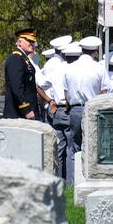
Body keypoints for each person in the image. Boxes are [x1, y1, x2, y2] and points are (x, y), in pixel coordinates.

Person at [63, 36, 107, 182]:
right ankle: (93, 179)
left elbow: (66, 94)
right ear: (95, 51)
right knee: (94, 146)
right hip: (93, 109)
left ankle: (73, 181)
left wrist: (70, 106)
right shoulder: (99, 68)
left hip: (75, 109)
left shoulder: (70, 68)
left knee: (74, 146)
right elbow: (104, 92)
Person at [41, 34, 72, 179]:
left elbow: (40, 85)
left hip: (56, 108)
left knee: (58, 149)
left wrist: (49, 100)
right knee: (71, 149)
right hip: (67, 108)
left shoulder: (53, 68)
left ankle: (58, 180)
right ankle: (70, 183)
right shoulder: (68, 69)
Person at [3, 28, 40, 121]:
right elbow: (17, 86)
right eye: (29, 41)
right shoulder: (16, 58)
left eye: (33, 41)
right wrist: (26, 109)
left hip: (25, 114)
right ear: (20, 42)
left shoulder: (24, 59)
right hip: (18, 114)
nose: (32, 44)